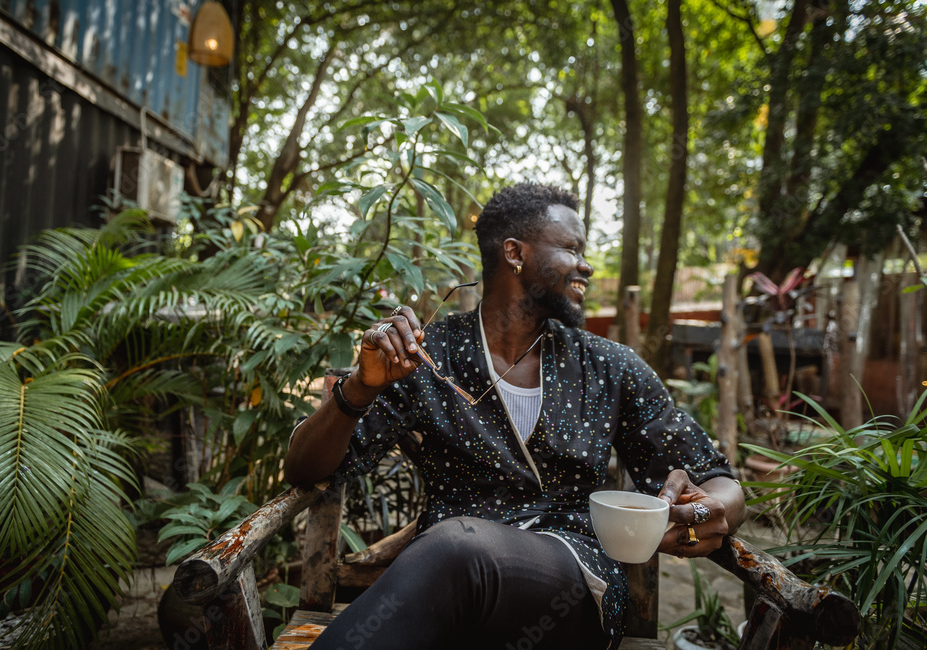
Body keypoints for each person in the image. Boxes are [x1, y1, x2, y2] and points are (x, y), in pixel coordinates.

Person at [285, 182, 746, 649]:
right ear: (514, 253)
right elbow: (304, 468)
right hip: (451, 593)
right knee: (454, 553)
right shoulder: (426, 356)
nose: (586, 264)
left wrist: (709, 508)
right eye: (571, 248)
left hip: (572, 584)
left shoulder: (609, 366)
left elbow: (720, 482)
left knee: (456, 547)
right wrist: (359, 389)